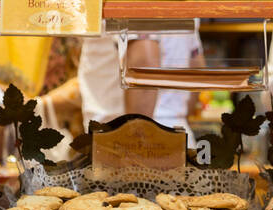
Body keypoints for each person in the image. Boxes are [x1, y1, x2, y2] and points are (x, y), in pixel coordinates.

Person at [77, 25, 205, 139]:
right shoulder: (184, 0)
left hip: (127, 144)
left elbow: (144, 58)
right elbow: (197, 66)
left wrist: (137, 145)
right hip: (174, 135)